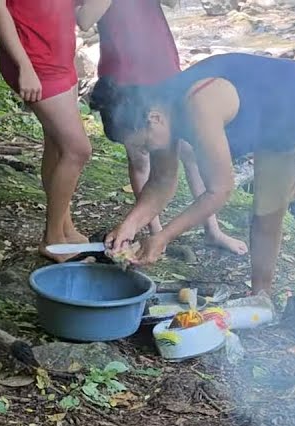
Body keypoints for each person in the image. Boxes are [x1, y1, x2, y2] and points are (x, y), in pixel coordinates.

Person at [99, 52, 295, 357]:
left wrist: (163, 237)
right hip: (274, 127)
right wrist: (129, 225)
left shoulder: (198, 104)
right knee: (265, 216)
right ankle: (261, 299)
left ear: (153, 119)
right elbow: (162, 183)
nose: (143, 151)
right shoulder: (160, 112)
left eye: (141, 143)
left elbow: (219, 190)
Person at [87, 0, 245, 256]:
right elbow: (83, 19)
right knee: (142, 157)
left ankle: (211, 229)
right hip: (125, 78)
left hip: (161, 66)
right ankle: (148, 234)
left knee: (191, 149)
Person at [0, 0, 107, 262]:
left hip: (61, 60)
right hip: (34, 62)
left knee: (57, 144)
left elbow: (83, 18)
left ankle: (65, 228)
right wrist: (24, 66)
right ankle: (52, 240)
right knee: (77, 150)